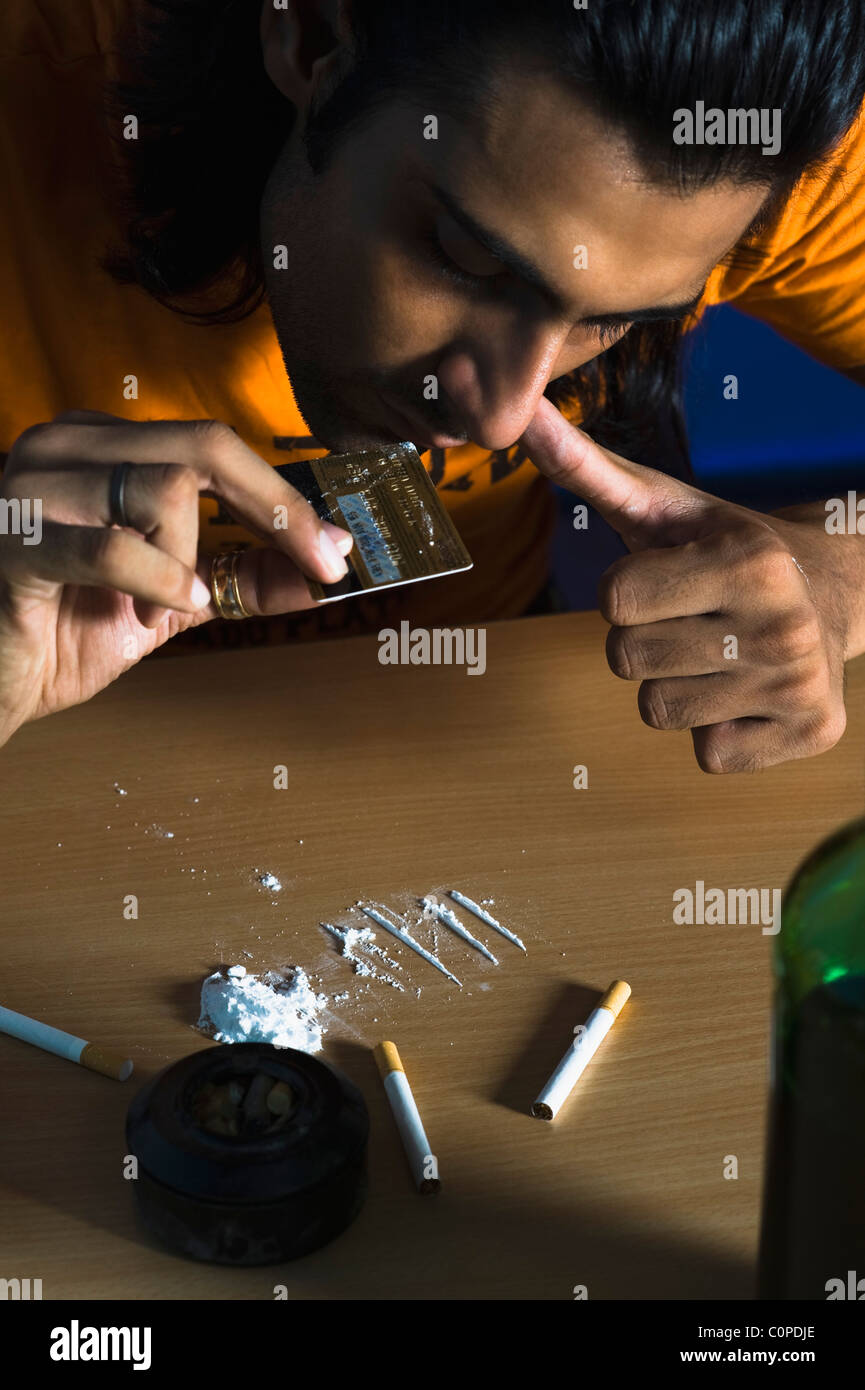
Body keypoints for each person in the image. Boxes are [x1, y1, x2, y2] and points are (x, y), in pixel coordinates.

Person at [2, 0, 865, 774]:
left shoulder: (761, 150)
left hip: (454, 733)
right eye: (467, 256)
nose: (500, 417)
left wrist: (836, 577)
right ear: (311, 39)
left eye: (617, 320)